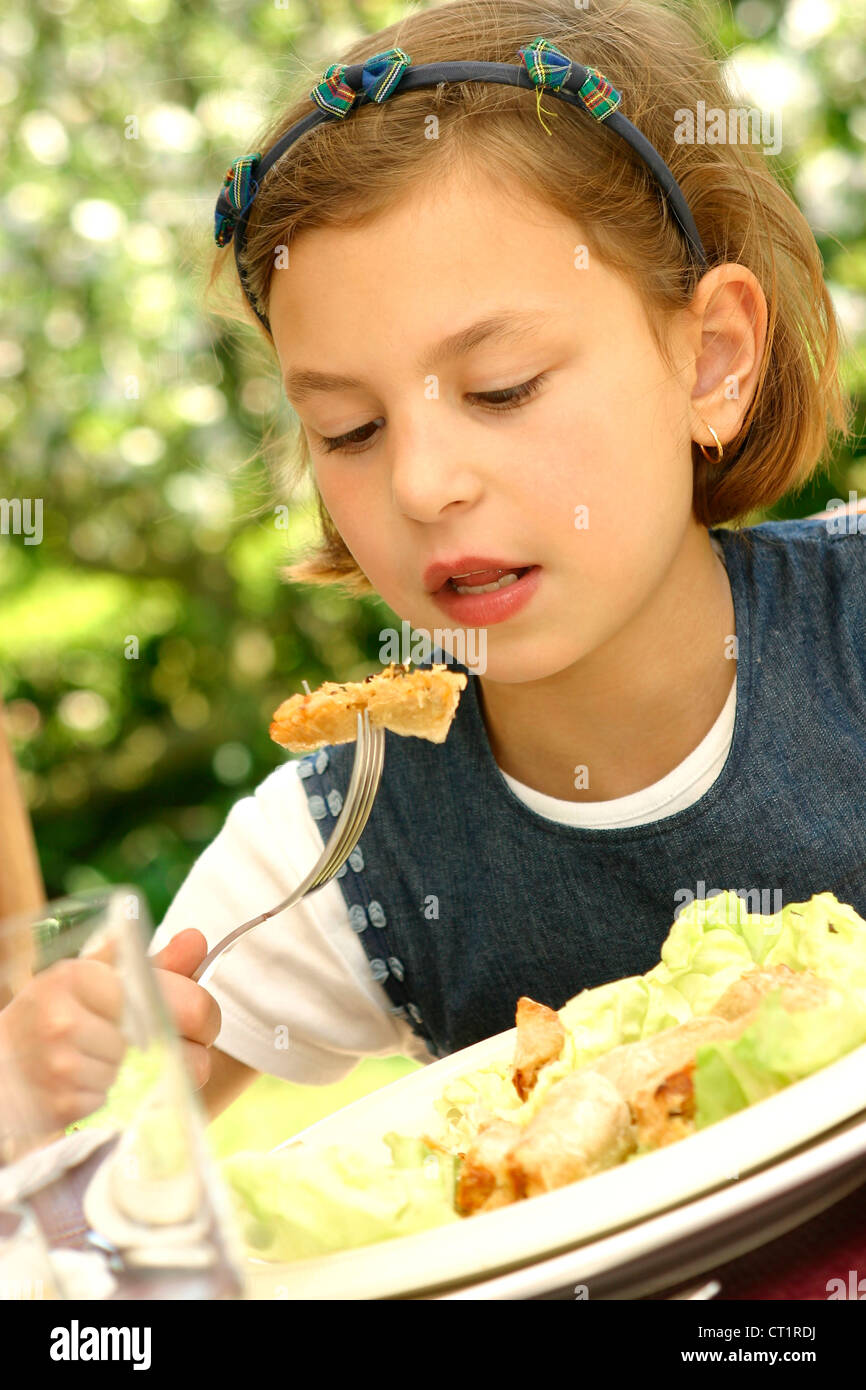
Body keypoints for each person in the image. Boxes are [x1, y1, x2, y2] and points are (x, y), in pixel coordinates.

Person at [144, 0, 860, 1125]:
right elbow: (130, 1120)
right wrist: (59, 1087)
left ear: (711, 359)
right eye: (348, 429)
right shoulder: (341, 837)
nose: (423, 484)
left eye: (502, 388)